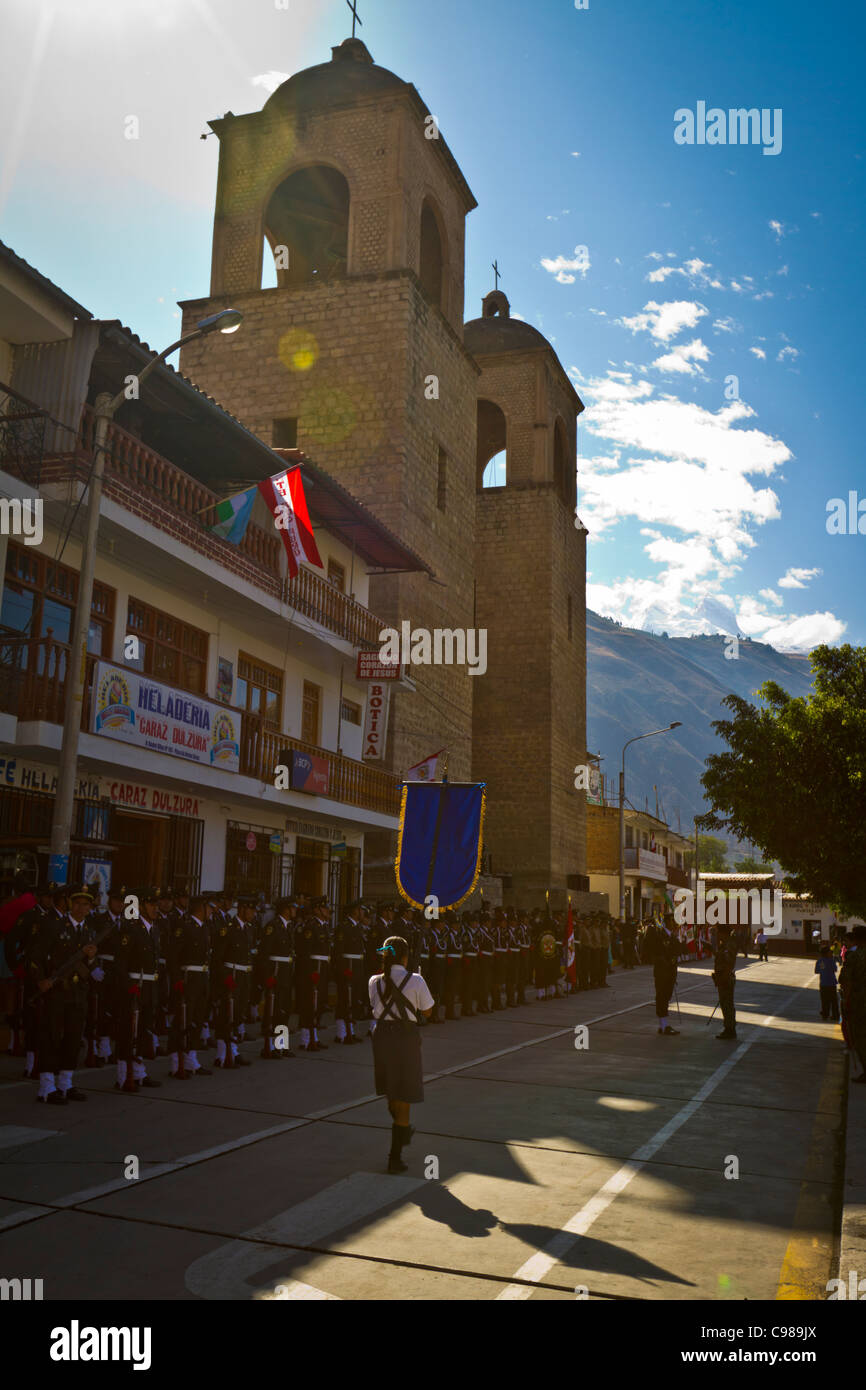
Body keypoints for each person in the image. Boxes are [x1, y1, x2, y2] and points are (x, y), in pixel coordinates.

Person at [28, 883, 99, 1104]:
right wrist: (40, 980)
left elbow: (90, 965)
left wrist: (91, 957)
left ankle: (66, 1083)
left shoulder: (90, 931)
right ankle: (46, 1087)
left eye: (85, 904)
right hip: (57, 991)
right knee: (50, 1037)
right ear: (70, 904)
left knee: (73, 1037)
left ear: (90, 907)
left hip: (78, 993)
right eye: (77, 903)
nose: (80, 908)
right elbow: (34, 956)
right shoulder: (55, 926)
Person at [369, 935, 434, 1174]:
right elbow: (427, 1011)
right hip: (405, 1039)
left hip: (382, 1036)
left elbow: (375, 1007)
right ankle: (395, 1156)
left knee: (391, 1089)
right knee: (404, 1095)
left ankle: (402, 1132)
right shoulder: (415, 980)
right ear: (405, 956)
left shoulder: (374, 980)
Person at [644, 915, 680, 1035]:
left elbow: (677, 950)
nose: (674, 923)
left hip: (670, 972)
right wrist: (662, 960)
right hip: (662, 972)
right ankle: (664, 1025)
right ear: (667, 922)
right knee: (662, 997)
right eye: (672, 921)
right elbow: (654, 951)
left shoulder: (672, 935)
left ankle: (663, 1024)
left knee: (666, 997)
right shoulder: (659, 935)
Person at [712, 923, 738, 1040]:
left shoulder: (728, 944)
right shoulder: (725, 944)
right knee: (725, 1003)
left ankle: (730, 1029)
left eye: (718, 932)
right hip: (723, 978)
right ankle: (729, 1028)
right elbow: (721, 957)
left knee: (727, 1004)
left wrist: (723, 978)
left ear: (723, 933)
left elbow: (729, 963)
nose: (717, 935)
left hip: (726, 978)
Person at [815, 945, 840, 1022]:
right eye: (830, 952)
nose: (831, 953)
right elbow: (835, 969)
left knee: (824, 1000)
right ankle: (835, 1015)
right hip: (832, 983)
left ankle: (825, 1014)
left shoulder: (819, 961)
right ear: (826, 953)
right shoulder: (832, 961)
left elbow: (817, 971)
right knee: (834, 1000)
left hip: (824, 983)